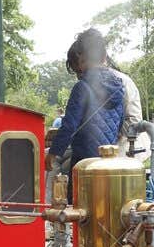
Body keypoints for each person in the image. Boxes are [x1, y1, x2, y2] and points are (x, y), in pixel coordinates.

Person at [50, 28, 125, 182]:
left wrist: (53, 153)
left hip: (84, 163)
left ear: (81, 59)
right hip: (107, 163)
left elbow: (69, 127)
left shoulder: (81, 88)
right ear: (104, 57)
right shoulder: (119, 88)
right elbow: (120, 125)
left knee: (78, 203)